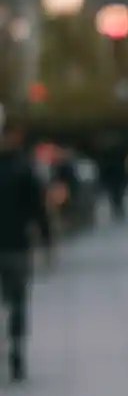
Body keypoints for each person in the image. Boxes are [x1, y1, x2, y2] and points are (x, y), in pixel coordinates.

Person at [0, 119, 48, 382]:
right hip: (17, 245)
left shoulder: (24, 169)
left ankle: (14, 348)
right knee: (17, 302)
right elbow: (37, 209)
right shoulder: (24, 169)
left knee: (16, 301)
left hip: (14, 245)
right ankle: (16, 350)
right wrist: (45, 237)